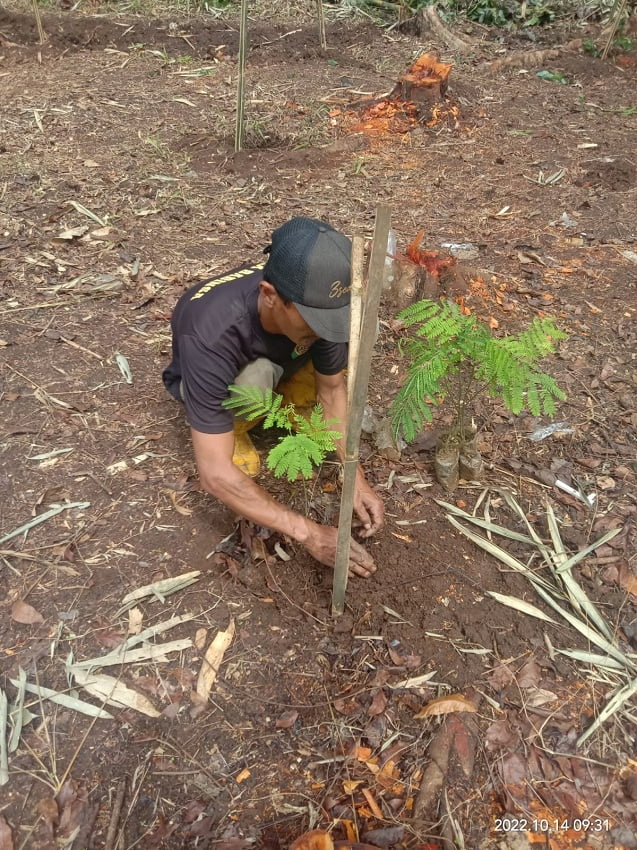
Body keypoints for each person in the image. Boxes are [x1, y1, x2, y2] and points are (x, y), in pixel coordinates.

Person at [162, 217, 384, 577]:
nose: (326, 330)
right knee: (255, 382)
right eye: (315, 322)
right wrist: (310, 533)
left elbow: (331, 390)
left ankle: (288, 396)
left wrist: (355, 477)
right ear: (269, 295)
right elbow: (214, 474)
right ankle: (236, 427)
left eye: (332, 320)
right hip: (230, 376)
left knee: (331, 367)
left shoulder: (319, 304)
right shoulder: (209, 333)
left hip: (284, 358)